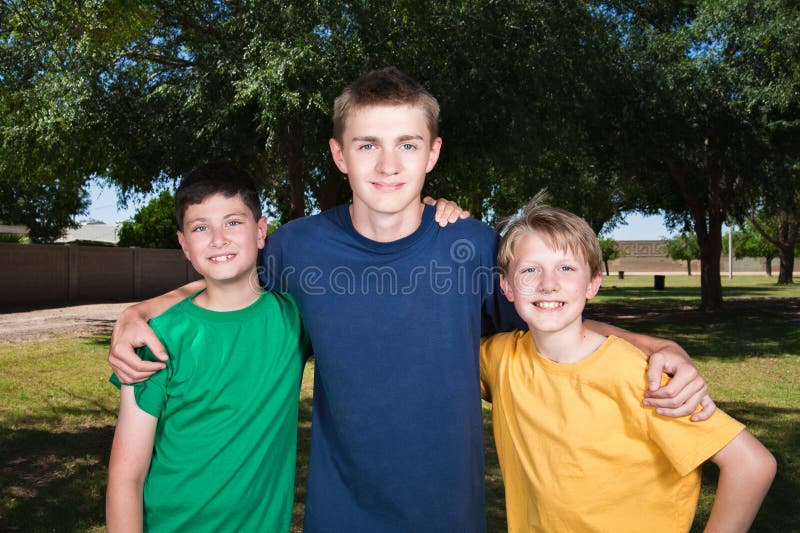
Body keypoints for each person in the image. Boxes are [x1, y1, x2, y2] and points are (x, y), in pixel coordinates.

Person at [108, 68, 714, 532]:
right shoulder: (299, 247)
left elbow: (558, 322)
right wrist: (142, 310)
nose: (389, 164)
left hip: (448, 512)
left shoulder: (473, 246)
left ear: (433, 153)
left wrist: (656, 343)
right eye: (368, 145)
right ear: (340, 155)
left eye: (407, 144)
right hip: (339, 513)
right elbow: (226, 272)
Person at [480, 197, 776, 532]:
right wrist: (430, 209)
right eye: (530, 269)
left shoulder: (638, 374)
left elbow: (751, 464)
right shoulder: (499, 358)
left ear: (593, 283)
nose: (548, 283)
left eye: (566, 268)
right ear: (506, 285)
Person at [105, 162, 311, 532]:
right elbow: (126, 477)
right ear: (184, 244)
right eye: (201, 228)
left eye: (233, 222)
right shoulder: (156, 339)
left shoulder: (295, 320)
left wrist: (424, 211)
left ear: (261, 231)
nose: (218, 239)